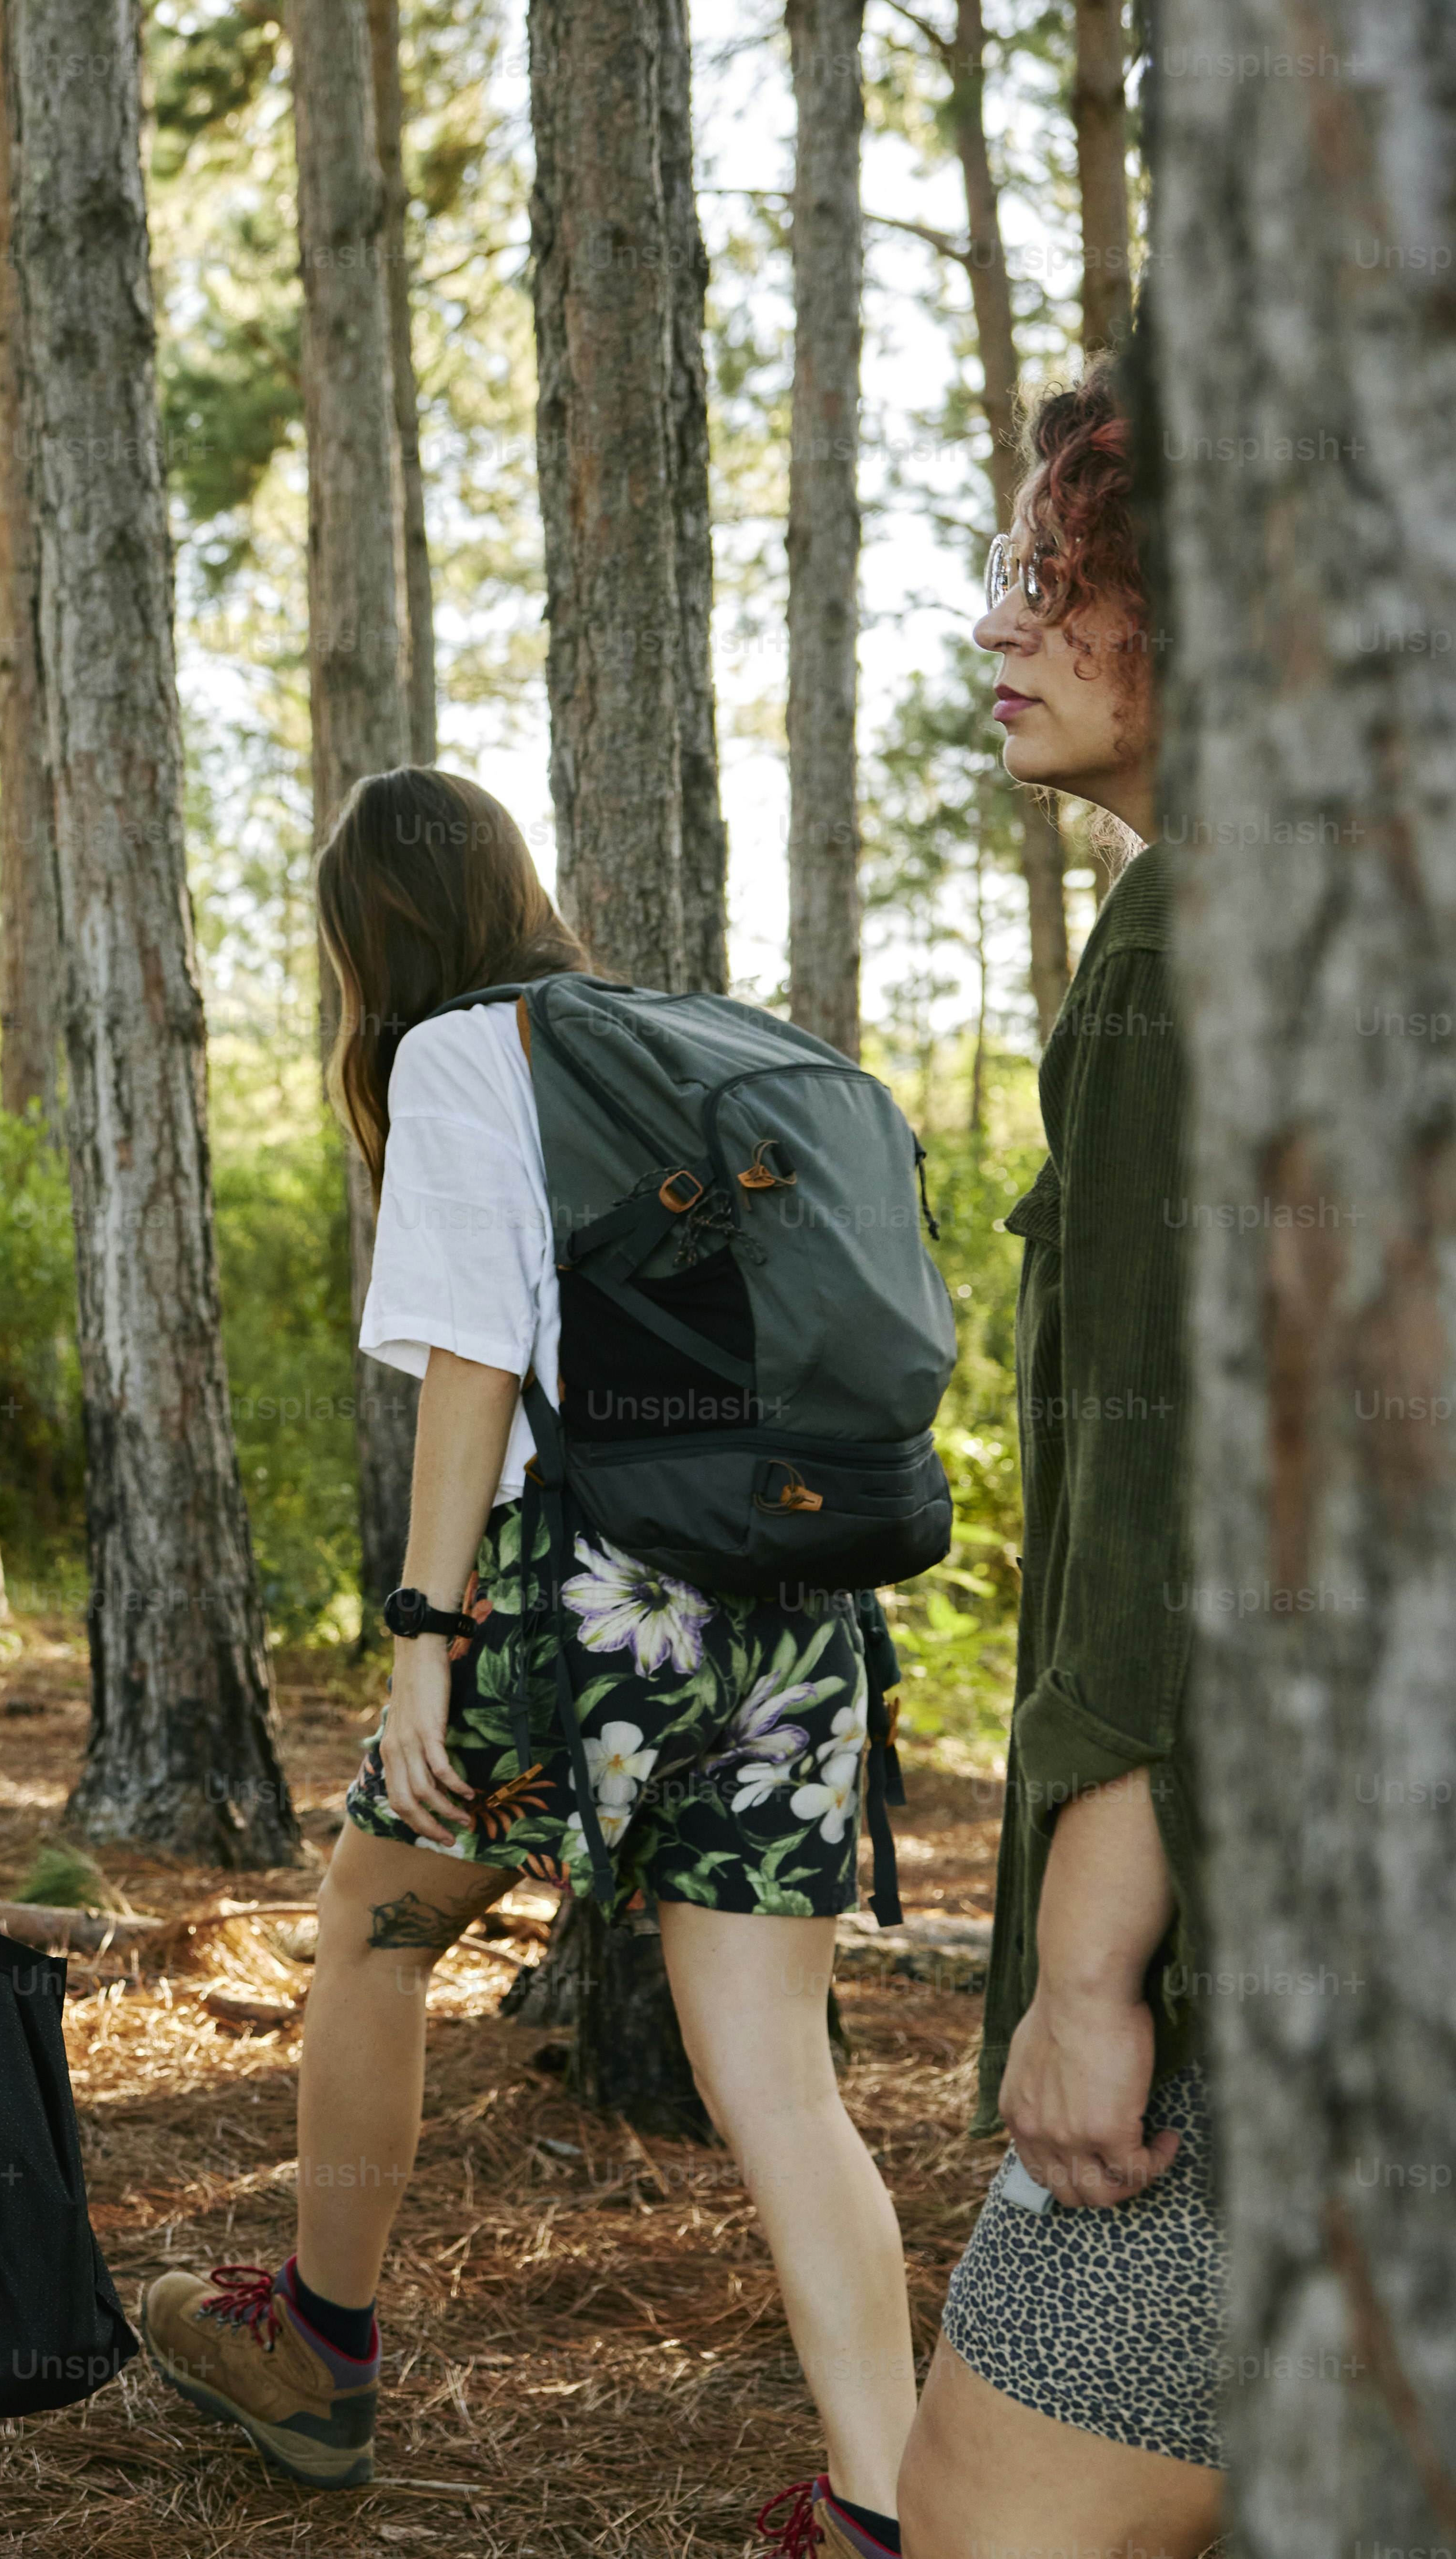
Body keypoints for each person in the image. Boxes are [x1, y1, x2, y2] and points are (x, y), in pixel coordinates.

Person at [135, 769, 917, 2551]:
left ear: (373, 933)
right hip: (802, 1602)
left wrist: (426, 1639)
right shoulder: (688, 1039)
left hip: (595, 1601)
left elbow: (476, 1365)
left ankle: (319, 2350)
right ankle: (884, 2509)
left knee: (372, 1930)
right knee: (782, 2078)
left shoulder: (461, 1053)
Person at [897, 356, 1218, 2559]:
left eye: (1056, 574)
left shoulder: (1189, 949)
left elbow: (1165, 1519)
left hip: (1239, 1971)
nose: (999, 622)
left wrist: (1087, 1975)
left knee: (986, 2510)